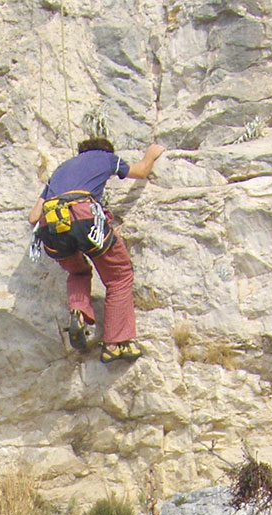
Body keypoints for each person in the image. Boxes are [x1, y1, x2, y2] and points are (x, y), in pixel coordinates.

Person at [28, 137, 165, 363]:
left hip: (50, 225)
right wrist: (152, 153)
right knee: (118, 275)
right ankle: (114, 344)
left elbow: (33, 217)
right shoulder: (106, 157)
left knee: (78, 271)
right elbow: (141, 171)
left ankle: (78, 313)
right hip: (83, 215)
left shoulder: (60, 170)